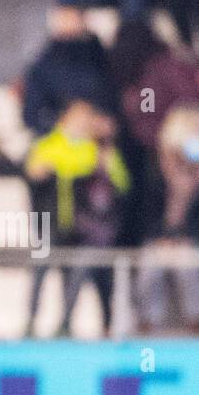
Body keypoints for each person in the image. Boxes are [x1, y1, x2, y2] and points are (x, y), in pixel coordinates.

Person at [24, 100, 131, 337]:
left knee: (79, 272)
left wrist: (105, 153)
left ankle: (65, 323)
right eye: (78, 118)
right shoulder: (50, 144)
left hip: (82, 227)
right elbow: (35, 169)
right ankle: (30, 321)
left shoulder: (95, 149)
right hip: (49, 222)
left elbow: (120, 182)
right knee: (41, 265)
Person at [138, 104, 199, 331]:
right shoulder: (155, 175)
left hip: (190, 241)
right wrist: (161, 238)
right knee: (150, 264)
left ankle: (195, 321)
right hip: (159, 239)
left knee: (187, 263)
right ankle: (149, 322)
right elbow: (143, 215)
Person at [22, 6, 118, 136]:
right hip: (66, 142)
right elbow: (32, 117)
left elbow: (115, 94)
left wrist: (102, 118)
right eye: (67, 16)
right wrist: (64, 120)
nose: (73, 21)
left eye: (77, 15)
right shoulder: (43, 66)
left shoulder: (97, 54)